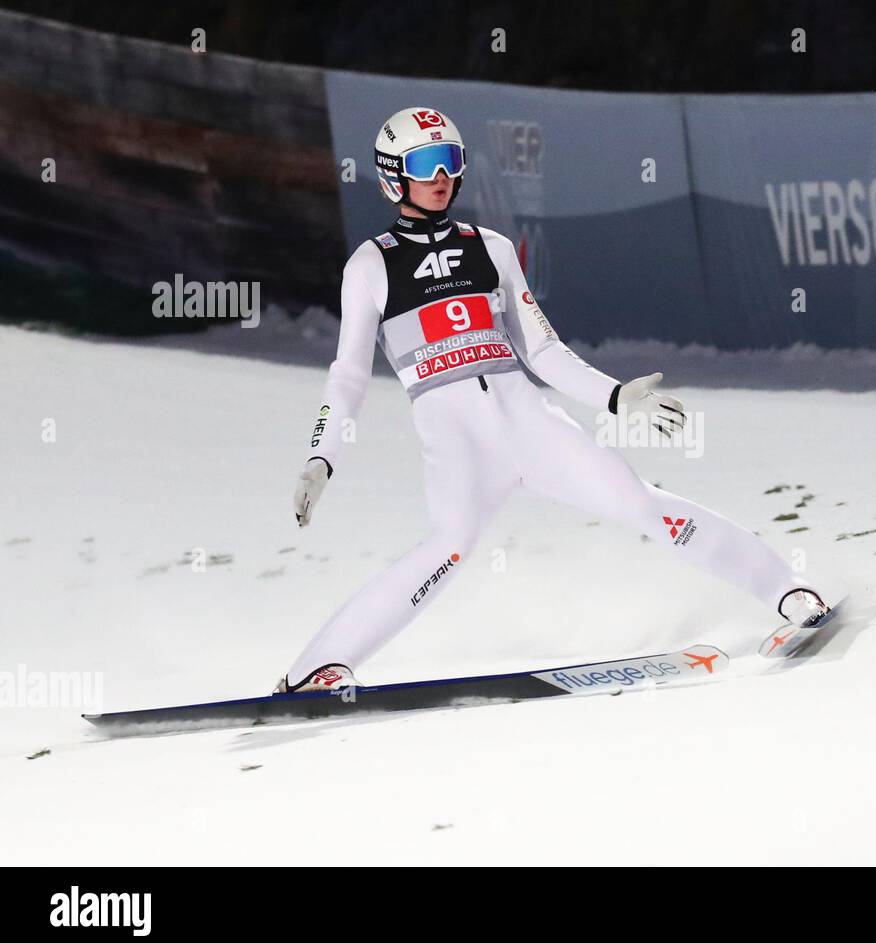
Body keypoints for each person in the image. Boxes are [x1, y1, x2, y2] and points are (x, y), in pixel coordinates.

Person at [274, 107, 828, 693]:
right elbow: (349, 376)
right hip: (459, 444)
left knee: (640, 501)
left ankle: (788, 591)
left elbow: (541, 351)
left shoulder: (490, 247)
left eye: (452, 161)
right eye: (426, 164)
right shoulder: (370, 266)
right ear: (393, 176)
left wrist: (615, 398)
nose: (442, 176)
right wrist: (321, 457)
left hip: (531, 425)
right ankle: (315, 669)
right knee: (448, 548)